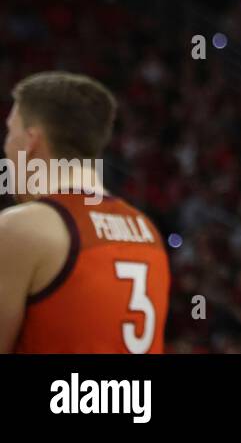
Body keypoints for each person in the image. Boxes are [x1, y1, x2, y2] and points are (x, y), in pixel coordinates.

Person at [0, 71, 170, 353]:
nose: (6, 146)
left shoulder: (24, 228)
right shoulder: (147, 232)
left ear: (31, 141)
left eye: (10, 131)